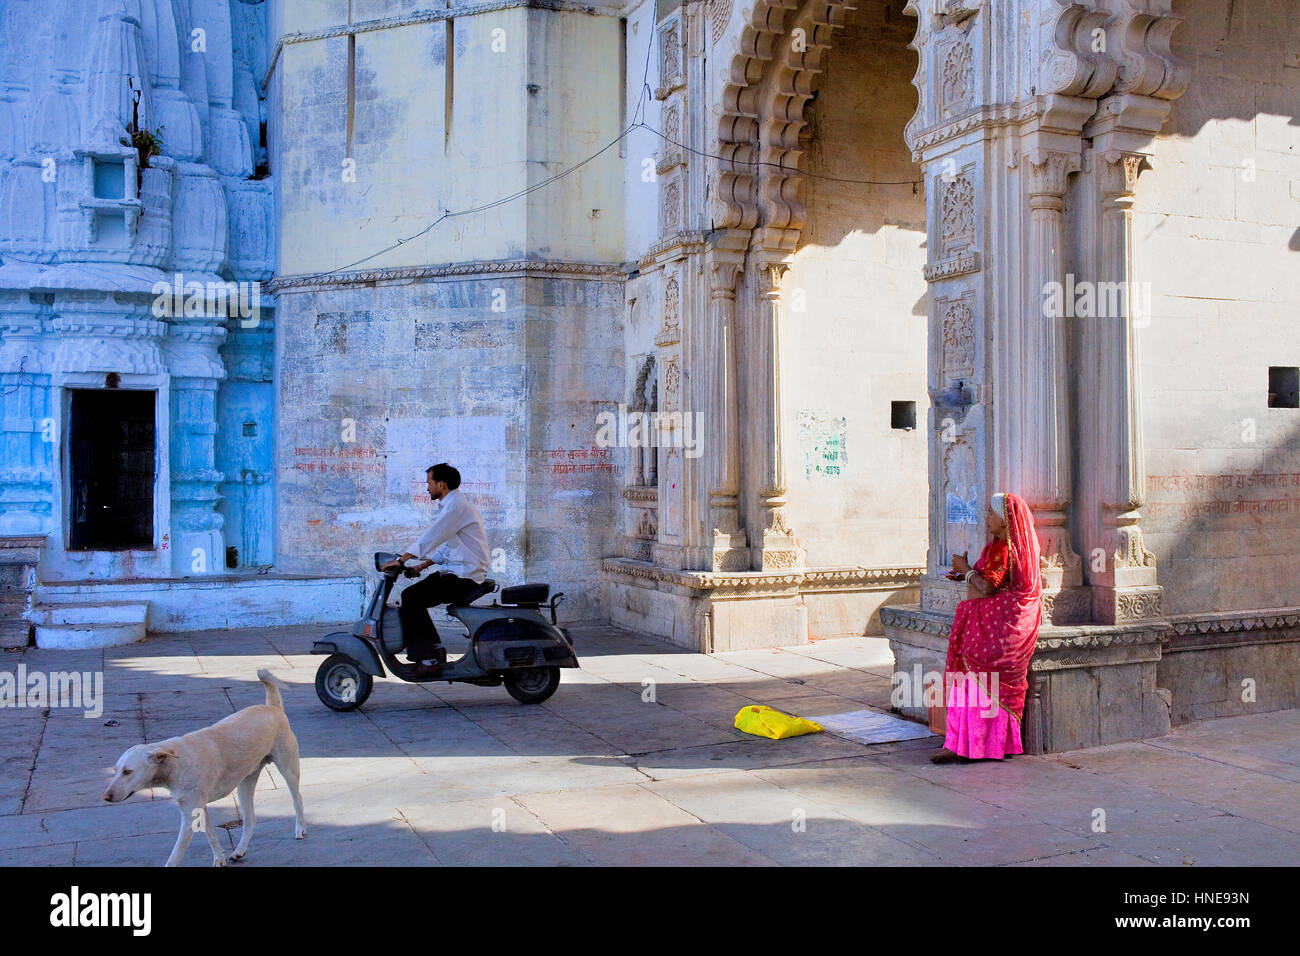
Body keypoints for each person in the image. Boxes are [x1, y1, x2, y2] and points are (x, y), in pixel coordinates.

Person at [930, 491, 1043, 763]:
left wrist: (967, 570)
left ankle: (974, 745)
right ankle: (962, 743)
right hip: (984, 627)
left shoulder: (1006, 549)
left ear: (1005, 520)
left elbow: (989, 587)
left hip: (997, 633)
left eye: (991, 513)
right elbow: (988, 581)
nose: (987, 517)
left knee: (974, 681)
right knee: (968, 682)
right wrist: (966, 573)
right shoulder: (994, 546)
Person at [383, 463, 489, 676]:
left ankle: (429, 659)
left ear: (441, 484)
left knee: (411, 597)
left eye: (429, 483)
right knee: (413, 596)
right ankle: (435, 650)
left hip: (464, 576)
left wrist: (402, 559)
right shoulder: (455, 506)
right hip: (458, 572)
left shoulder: (456, 507)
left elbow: (433, 535)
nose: (427, 488)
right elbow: (447, 547)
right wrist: (420, 565)